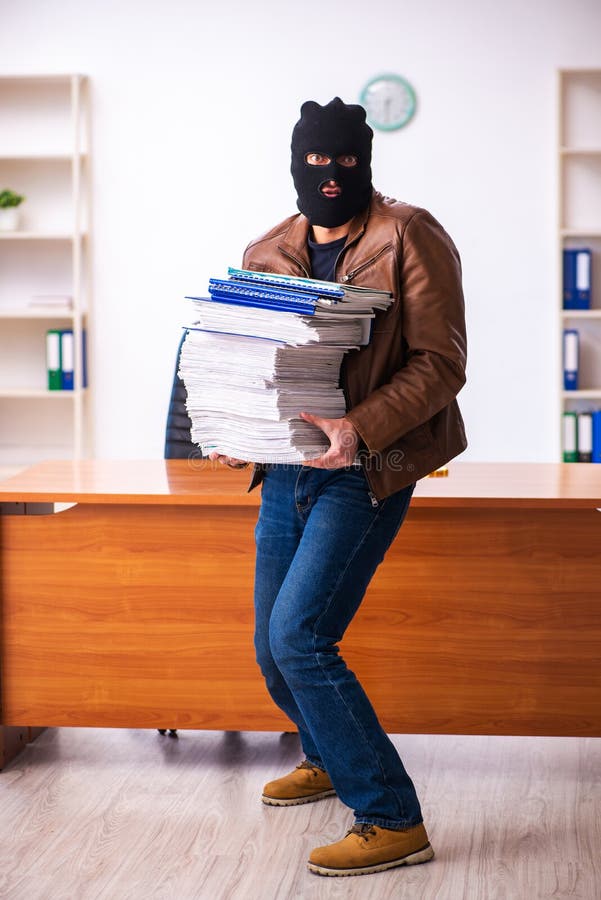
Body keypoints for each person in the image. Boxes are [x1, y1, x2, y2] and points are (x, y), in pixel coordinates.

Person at [209, 96, 467, 878]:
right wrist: (236, 423)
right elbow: (252, 359)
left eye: (346, 162)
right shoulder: (266, 248)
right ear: (295, 163)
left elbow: (440, 362)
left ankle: (390, 816)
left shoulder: (407, 234)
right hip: (284, 466)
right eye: (316, 162)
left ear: (365, 162)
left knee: (300, 637)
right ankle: (324, 752)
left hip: (366, 467)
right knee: (268, 648)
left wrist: (359, 424)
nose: (331, 176)